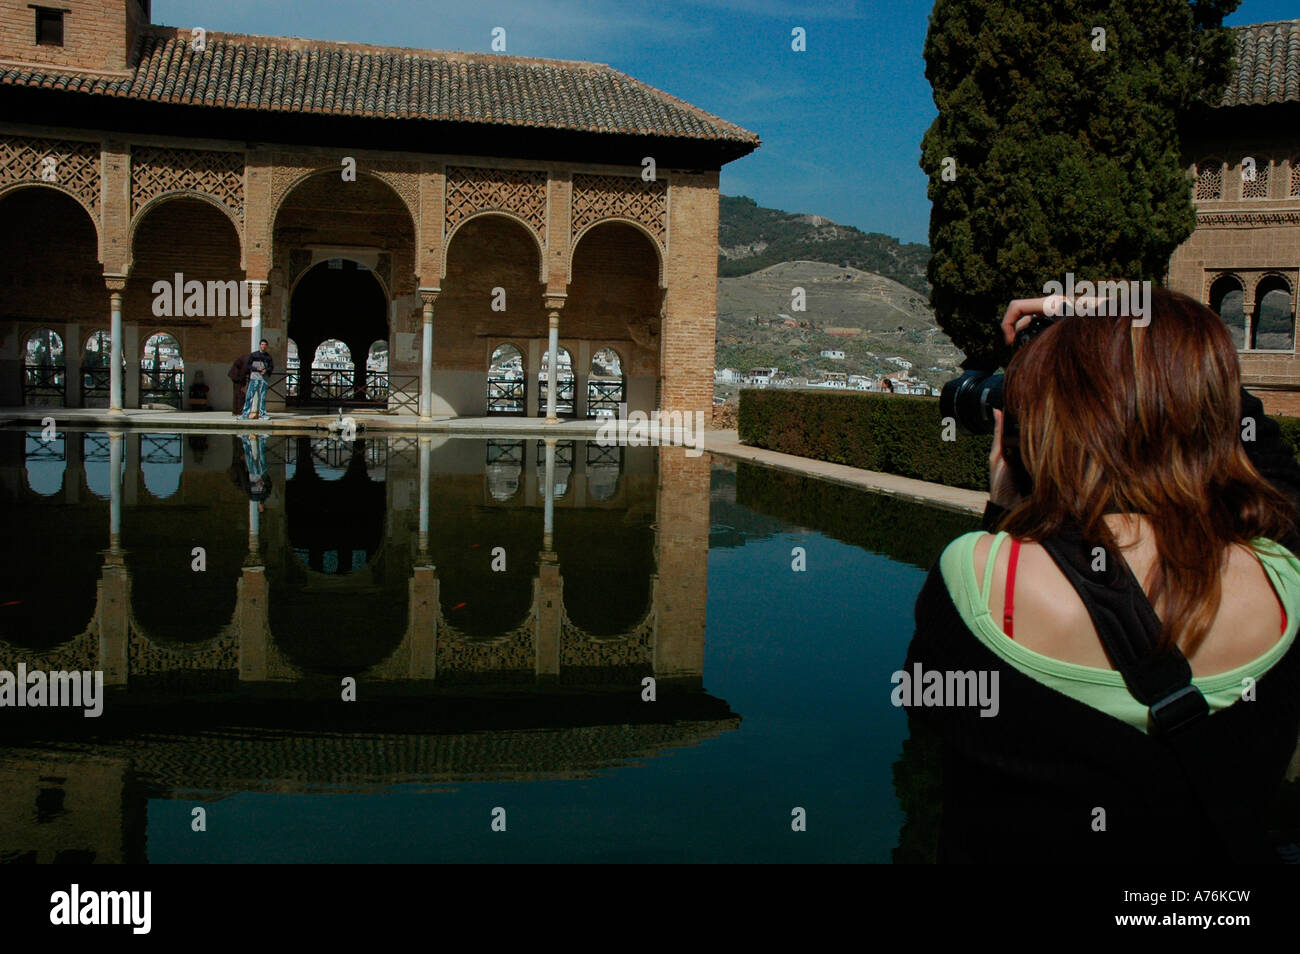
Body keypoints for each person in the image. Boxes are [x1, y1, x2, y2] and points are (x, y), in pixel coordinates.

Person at [903, 288, 1300, 863]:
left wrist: (1005, 511)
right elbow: (1268, 451)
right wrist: (1152, 347)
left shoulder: (983, 576)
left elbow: (932, 715)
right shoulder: (1283, 571)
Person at [239, 339, 274, 420]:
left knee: (263, 397)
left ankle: (262, 414)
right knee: (249, 396)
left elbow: (271, 367)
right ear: (260, 345)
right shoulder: (253, 355)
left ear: (267, 346)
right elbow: (248, 365)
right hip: (254, 378)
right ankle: (245, 414)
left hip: (263, 379)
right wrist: (257, 368)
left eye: (265, 345)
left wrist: (266, 370)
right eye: (262, 344)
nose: (263, 346)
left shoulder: (268, 357)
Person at [228, 353, 249, 417]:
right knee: (241, 394)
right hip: (238, 377)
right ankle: (239, 412)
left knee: (237, 394)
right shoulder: (247, 360)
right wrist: (244, 383)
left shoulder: (245, 357)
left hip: (235, 376)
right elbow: (244, 370)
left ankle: (236, 411)